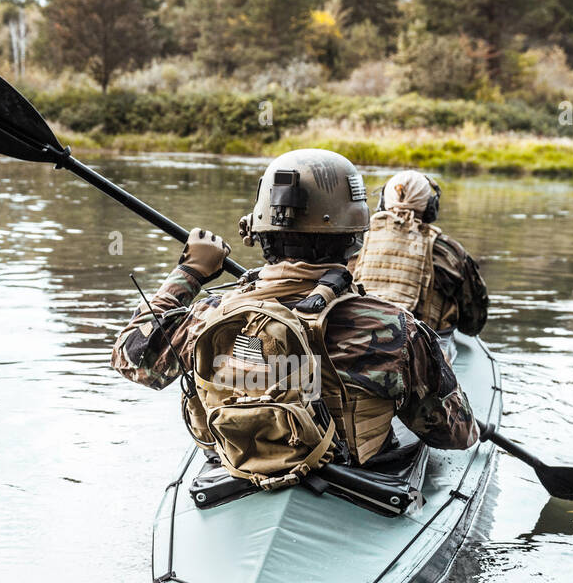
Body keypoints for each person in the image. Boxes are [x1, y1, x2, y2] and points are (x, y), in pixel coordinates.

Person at [111, 149, 477, 489]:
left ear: (259, 235)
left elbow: (132, 359)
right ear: (355, 239)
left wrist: (189, 272)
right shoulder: (397, 328)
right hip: (357, 480)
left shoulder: (208, 316)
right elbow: (455, 434)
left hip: (236, 472)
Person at [349, 170, 488, 336]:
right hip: (423, 347)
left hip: (357, 340)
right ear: (431, 207)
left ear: (383, 202)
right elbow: (472, 324)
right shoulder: (449, 252)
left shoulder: (354, 242)